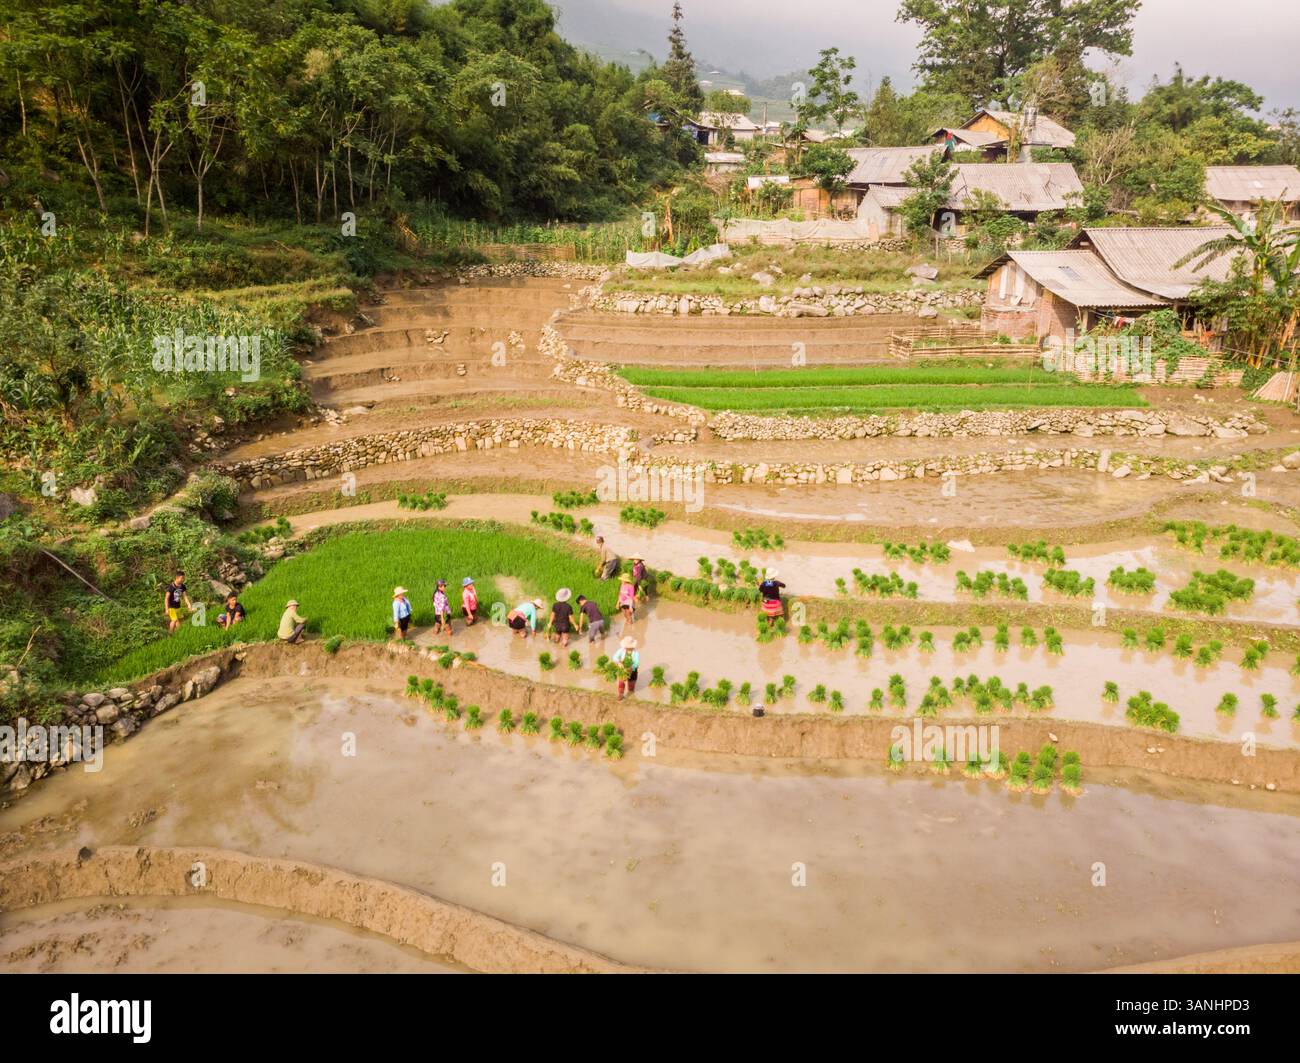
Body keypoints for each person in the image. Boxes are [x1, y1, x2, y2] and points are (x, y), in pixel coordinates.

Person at [613, 636, 640, 701]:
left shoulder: (636, 653)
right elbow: (615, 657)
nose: (628, 648)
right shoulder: (621, 650)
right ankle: (621, 694)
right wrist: (619, 663)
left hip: (632, 669)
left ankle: (631, 691)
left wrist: (631, 667)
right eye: (627, 647)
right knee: (621, 681)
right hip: (622, 668)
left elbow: (636, 663)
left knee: (632, 681)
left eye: (630, 647)